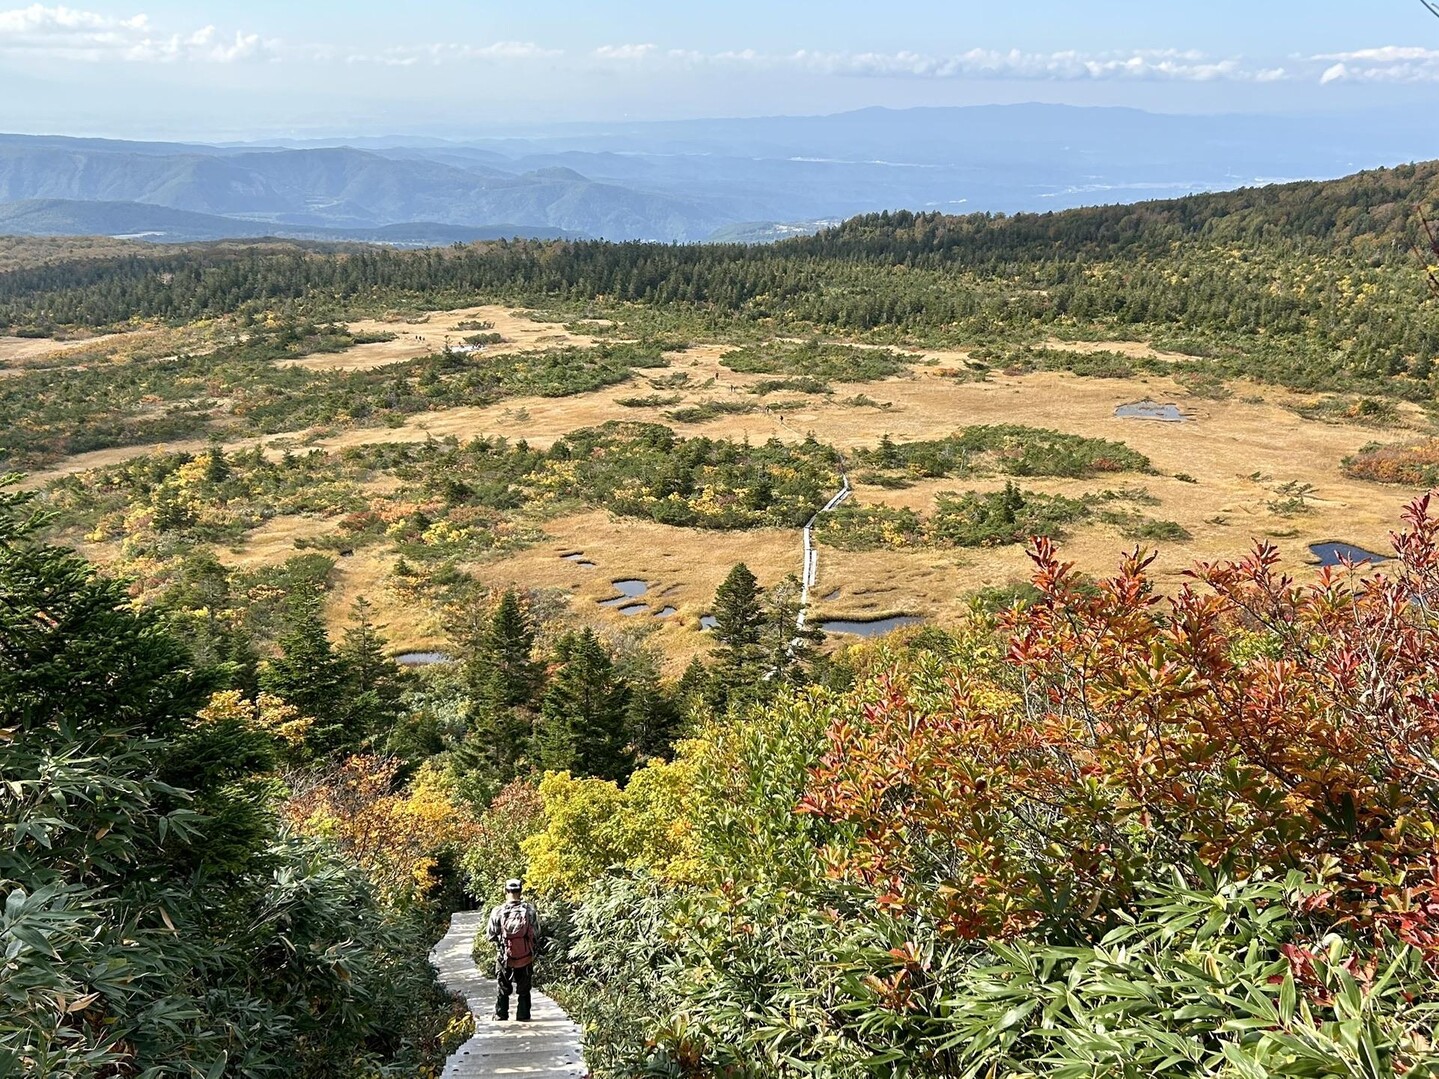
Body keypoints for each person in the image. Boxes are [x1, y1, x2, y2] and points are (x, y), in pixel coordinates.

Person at [486, 878, 539, 1021]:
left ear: (506, 891)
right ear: (520, 891)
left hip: (505, 957)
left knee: (503, 988)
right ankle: (523, 1016)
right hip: (525, 956)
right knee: (524, 989)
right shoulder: (529, 910)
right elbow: (536, 933)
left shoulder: (498, 911)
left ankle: (501, 1015)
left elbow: (491, 935)